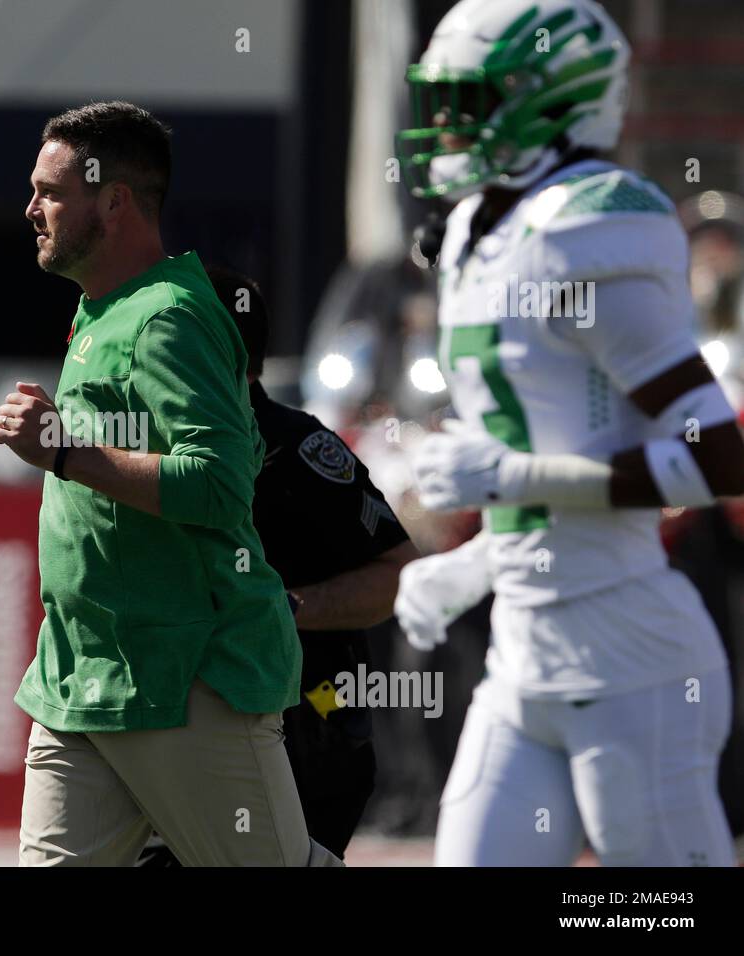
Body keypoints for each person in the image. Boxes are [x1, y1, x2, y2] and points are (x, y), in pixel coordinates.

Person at [393, 0, 744, 866]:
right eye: (441, 101)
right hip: (522, 652)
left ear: (555, 97)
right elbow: (533, 466)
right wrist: (472, 566)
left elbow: (716, 456)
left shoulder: (591, 223)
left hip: (628, 655)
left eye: (471, 99)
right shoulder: (482, 228)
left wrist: (513, 481)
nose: (446, 125)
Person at [0, 101, 314, 866]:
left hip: (183, 680)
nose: (31, 209)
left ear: (114, 201)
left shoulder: (167, 317)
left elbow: (218, 486)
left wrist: (66, 451)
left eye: (51, 191)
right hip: (80, 681)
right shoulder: (99, 311)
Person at [138, 268, 418, 866]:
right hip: (162, 726)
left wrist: (283, 610)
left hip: (304, 726)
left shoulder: (300, 449)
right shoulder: (138, 445)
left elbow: (398, 573)